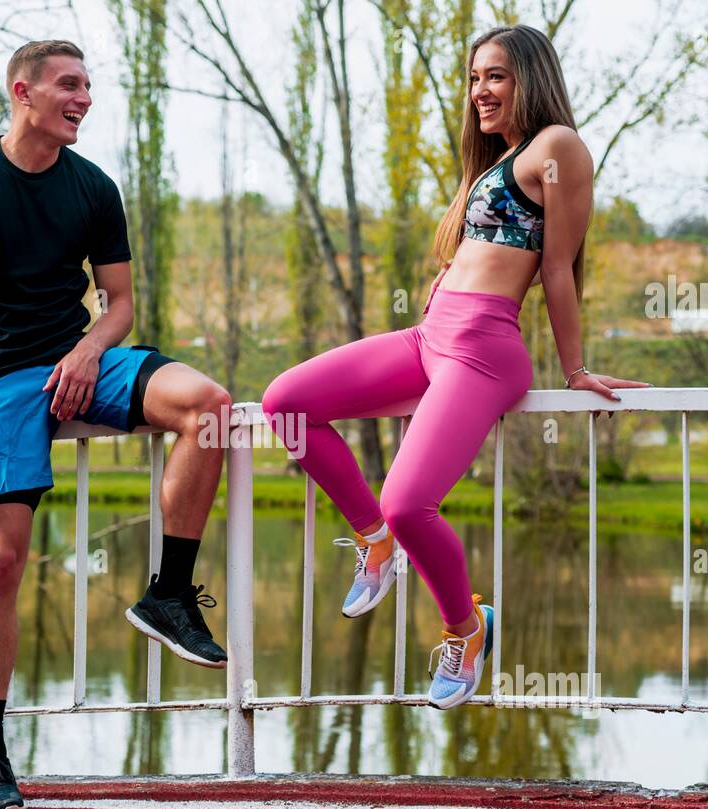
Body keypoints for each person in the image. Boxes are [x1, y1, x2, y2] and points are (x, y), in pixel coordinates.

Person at [261, 24, 650, 710]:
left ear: (530, 77)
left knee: (409, 502)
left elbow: (558, 268)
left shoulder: (558, 146)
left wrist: (576, 368)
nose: (480, 92)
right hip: (428, 337)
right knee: (285, 403)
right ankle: (374, 541)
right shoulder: (498, 161)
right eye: (474, 79)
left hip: (484, 350)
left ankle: (465, 629)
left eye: (495, 76)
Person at [0, 40, 232, 809]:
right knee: (1, 562)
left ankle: (170, 593)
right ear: (23, 92)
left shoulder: (94, 188)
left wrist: (88, 350)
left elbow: (120, 304)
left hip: (81, 362)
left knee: (211, 406)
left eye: (88, 85)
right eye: (68, 84)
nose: (84, 96)